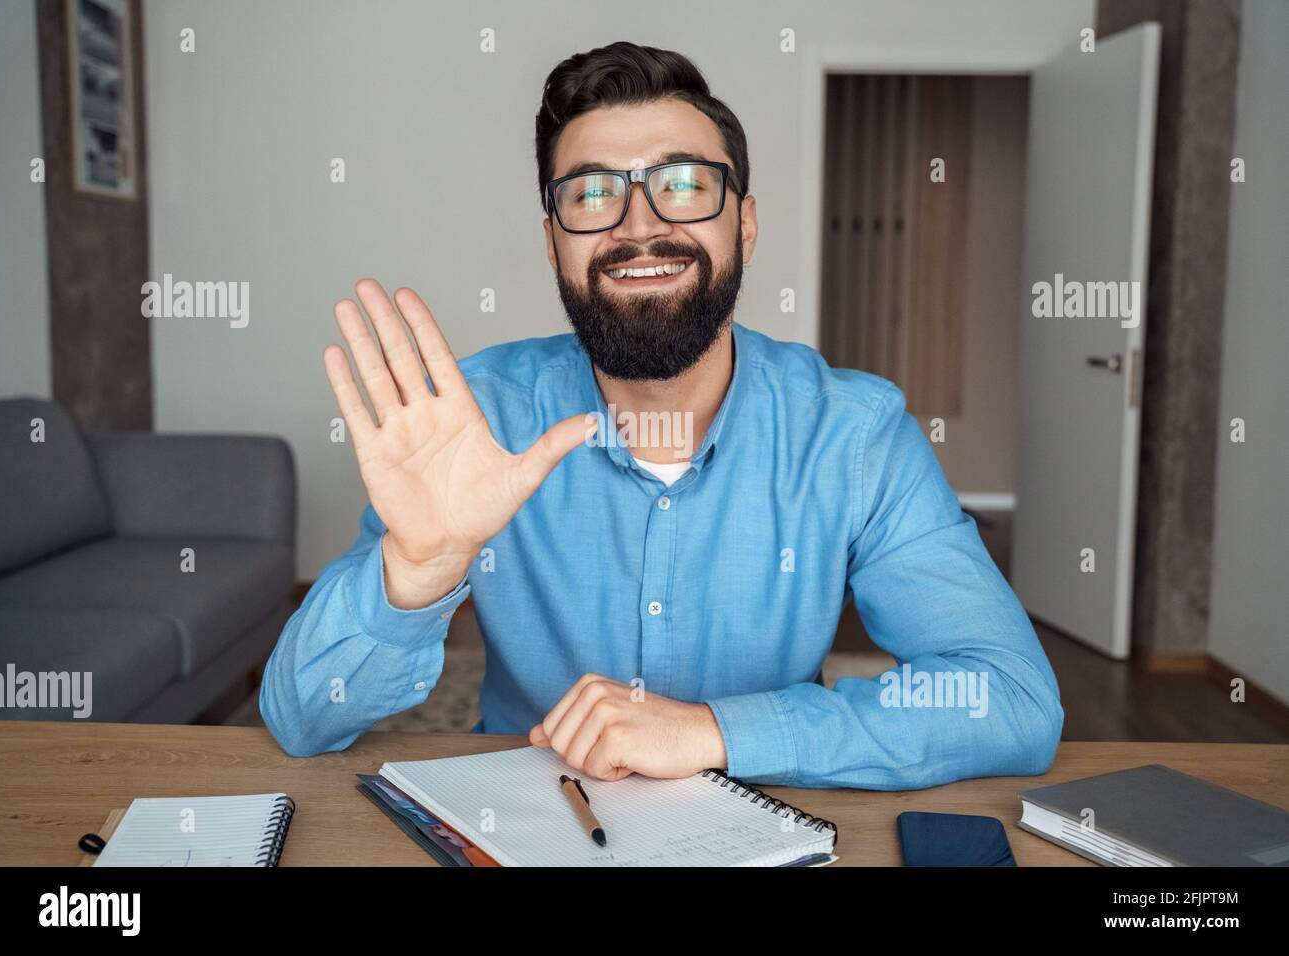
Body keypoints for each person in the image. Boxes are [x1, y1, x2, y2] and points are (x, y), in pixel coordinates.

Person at [260, 41, 1063, 789]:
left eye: (682, 183)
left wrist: (714, 732)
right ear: (553, 243)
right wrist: (419, 572)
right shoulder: (475, 419)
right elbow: (299, 720)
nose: (638, 225)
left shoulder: (853, 433)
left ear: (744, 222)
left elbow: (1011, 696)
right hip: (527, 823)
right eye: (592, 193)